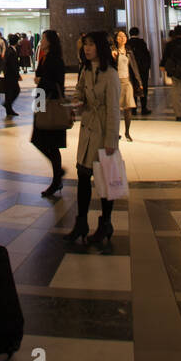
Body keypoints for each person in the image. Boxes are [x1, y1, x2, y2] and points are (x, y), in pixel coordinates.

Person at [66, 31, 121, 246]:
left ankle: (105, 223)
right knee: (82, 175)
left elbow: (114, 110)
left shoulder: (111, 75)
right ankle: (81, 222)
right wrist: (77, 102)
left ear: (100, 47)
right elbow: (79, 92)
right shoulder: (86, 70)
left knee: (106, 180)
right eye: (85, 45)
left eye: (91, 45)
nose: (87, 48)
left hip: (102, 133)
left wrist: (111, 142)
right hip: (87, 129)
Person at [32, 29, 67, 198]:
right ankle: (58, 174)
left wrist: (41, 80)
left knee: (49, 143)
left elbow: (58, 83)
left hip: (51, 104)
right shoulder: (44, 57)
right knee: (38, 139)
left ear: (50, 41)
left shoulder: (55, 60)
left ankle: (56, 179)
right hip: (42, 101)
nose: (42, 41)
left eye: (44, 38)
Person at [112, 28, 141, 140]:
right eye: (120, 36)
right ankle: (115, 131)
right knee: (115, 108)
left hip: (127, 81)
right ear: (116, 39)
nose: (122, 38)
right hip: (116, 82)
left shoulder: (129, 51)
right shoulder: (113, 51)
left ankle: (127, 132)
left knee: (128, 107)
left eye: (124, 36)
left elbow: (134, 67)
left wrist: (139, 81)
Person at [127, 27, 152, 114]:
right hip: (142, 70)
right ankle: (144, 108)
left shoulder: (128, 43)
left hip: (131, 70)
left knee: (133, 88)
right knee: (143, 87)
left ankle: (134, 108)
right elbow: (147, 55)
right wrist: (147, 67)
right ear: (138, 33)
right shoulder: (141, 42)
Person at [0, 34, 21, 117]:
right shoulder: (10, 50)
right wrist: (17, 74)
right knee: (15, 90)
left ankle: (9, 109)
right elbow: (11, 64)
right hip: (10, 75)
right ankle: (7, 105)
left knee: (10, 92)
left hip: (10, 74)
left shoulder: (11, 49)